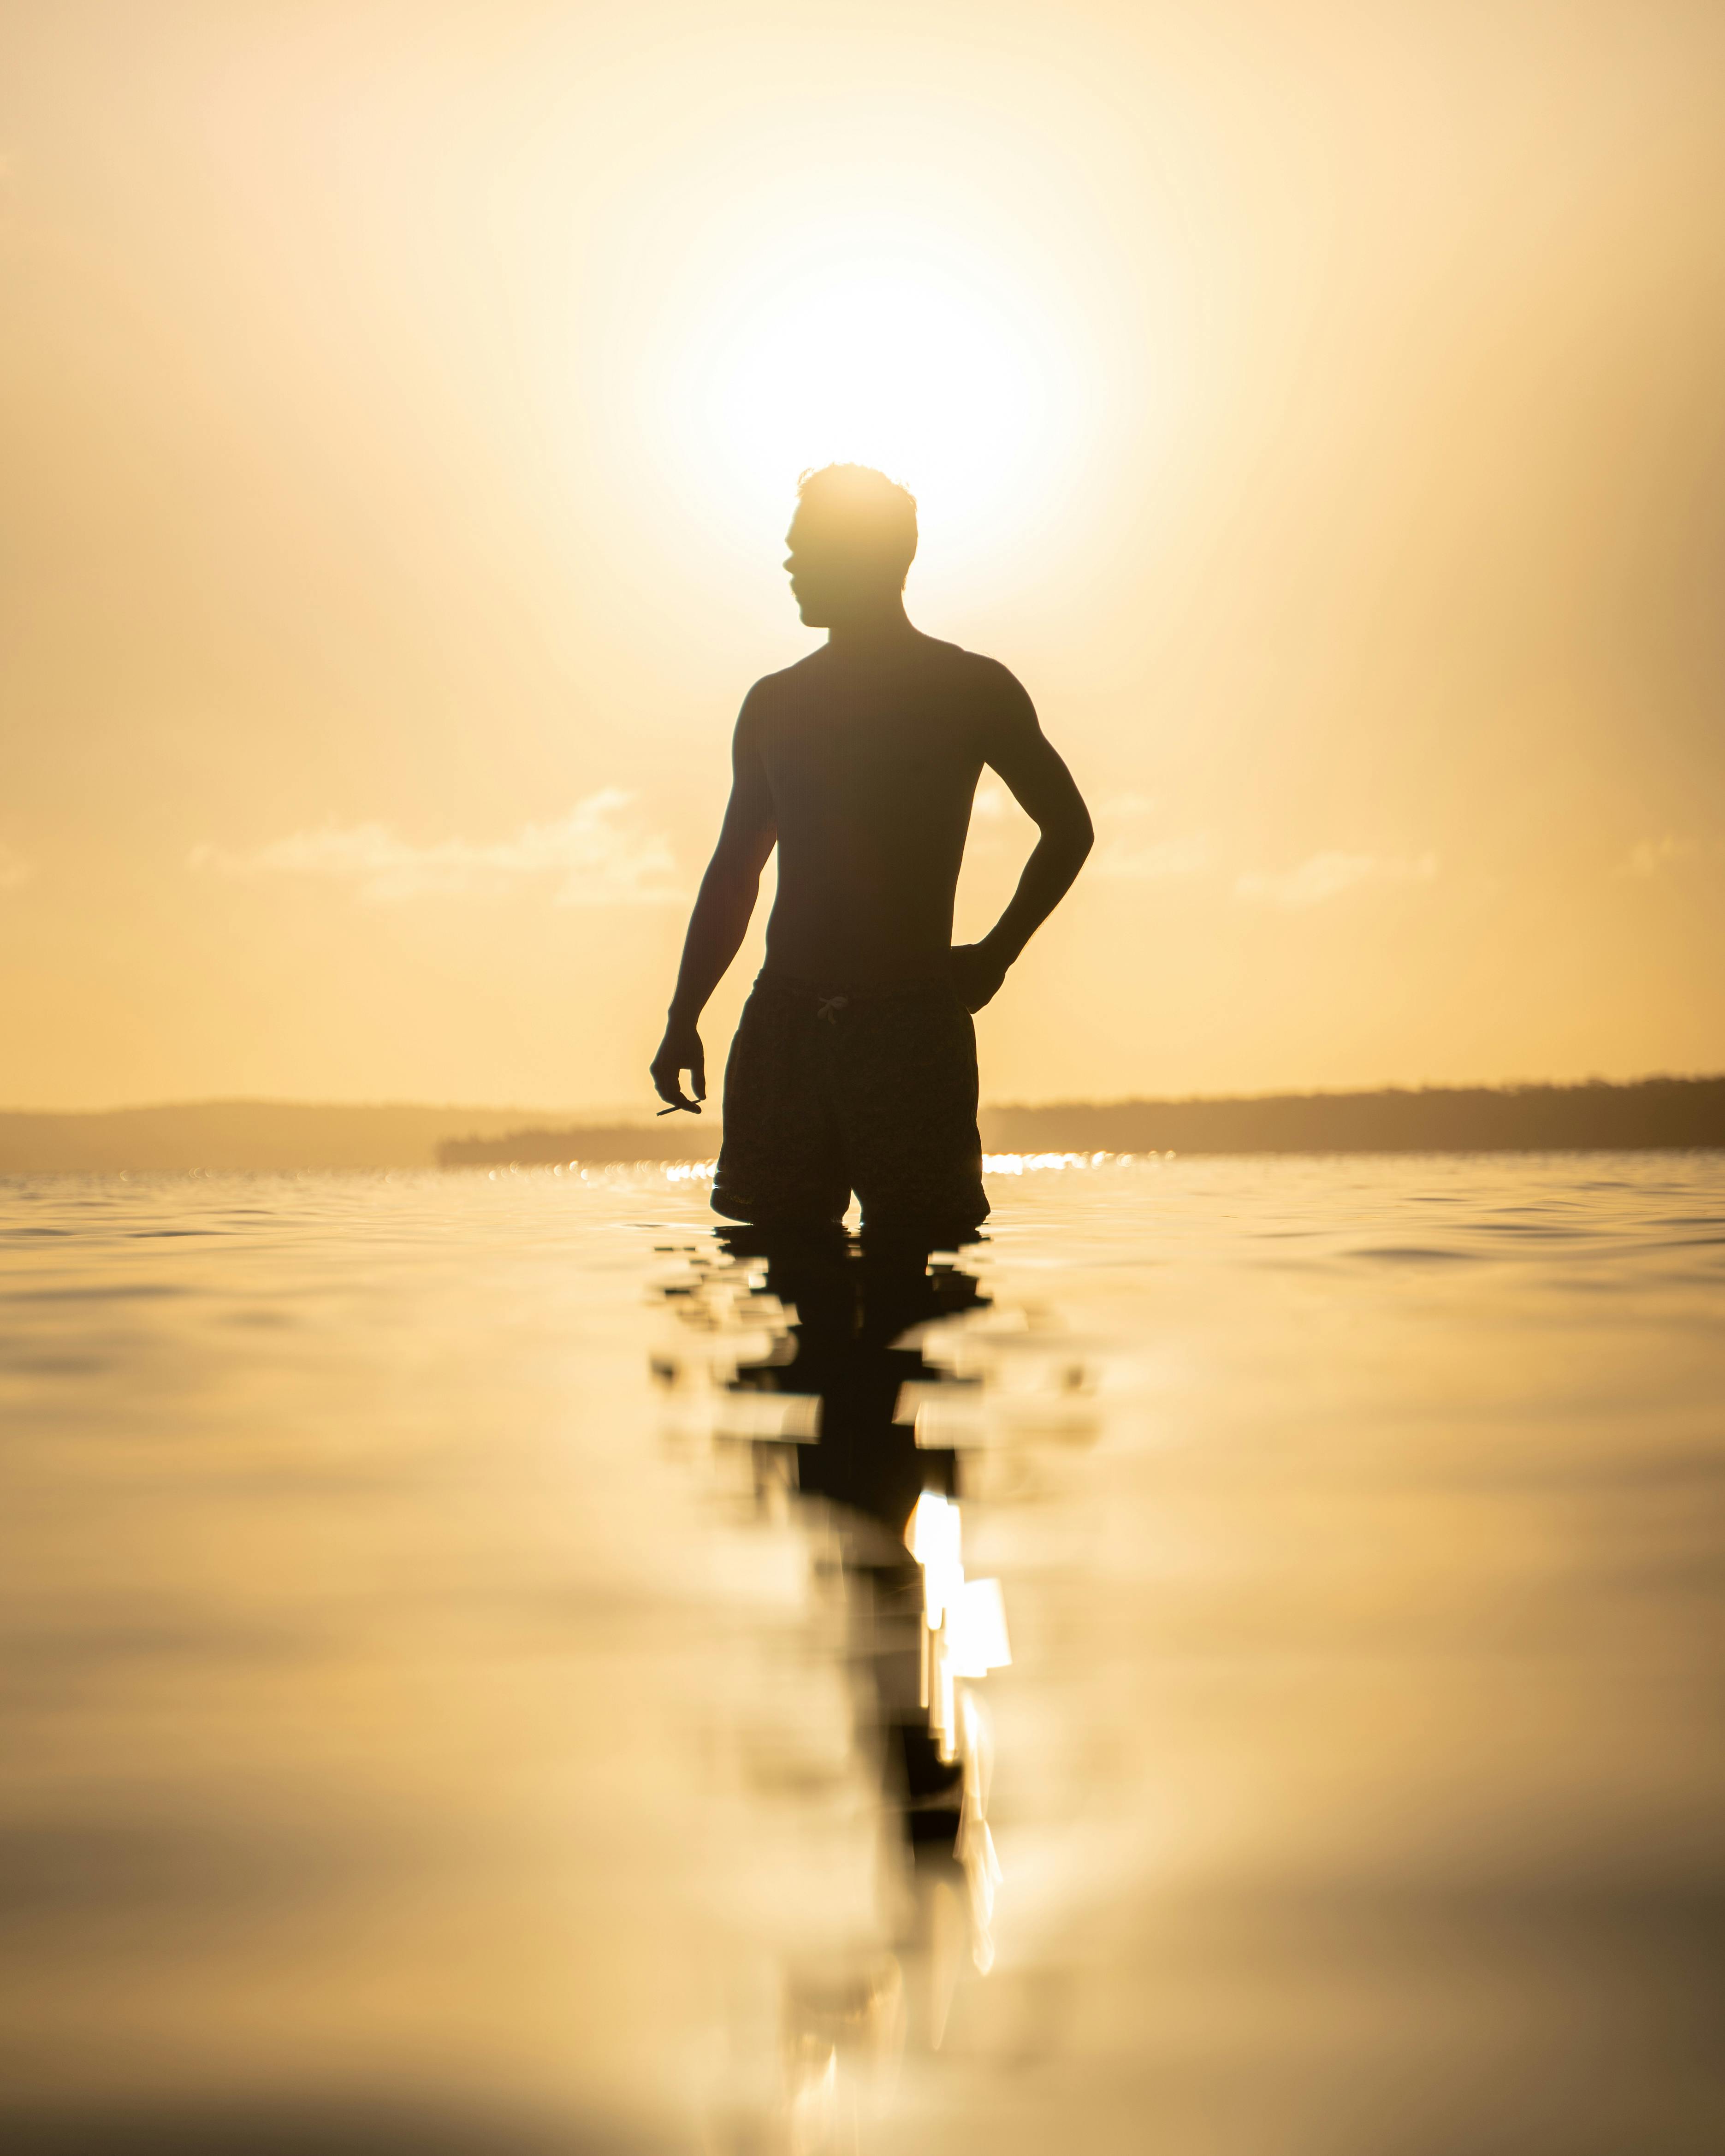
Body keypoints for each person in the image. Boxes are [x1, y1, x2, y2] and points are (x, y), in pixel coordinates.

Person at [650, 463, 1092, 1245]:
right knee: (777, 1272)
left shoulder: (967, 687)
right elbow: (734, 873)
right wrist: (685, 1016)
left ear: (867, 558)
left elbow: (1068, 828)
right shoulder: (776, 703)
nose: (788, 565)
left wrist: (994, 956)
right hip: (784, 1020)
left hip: (911, 1023)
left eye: (804, 549)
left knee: (917, 1268)